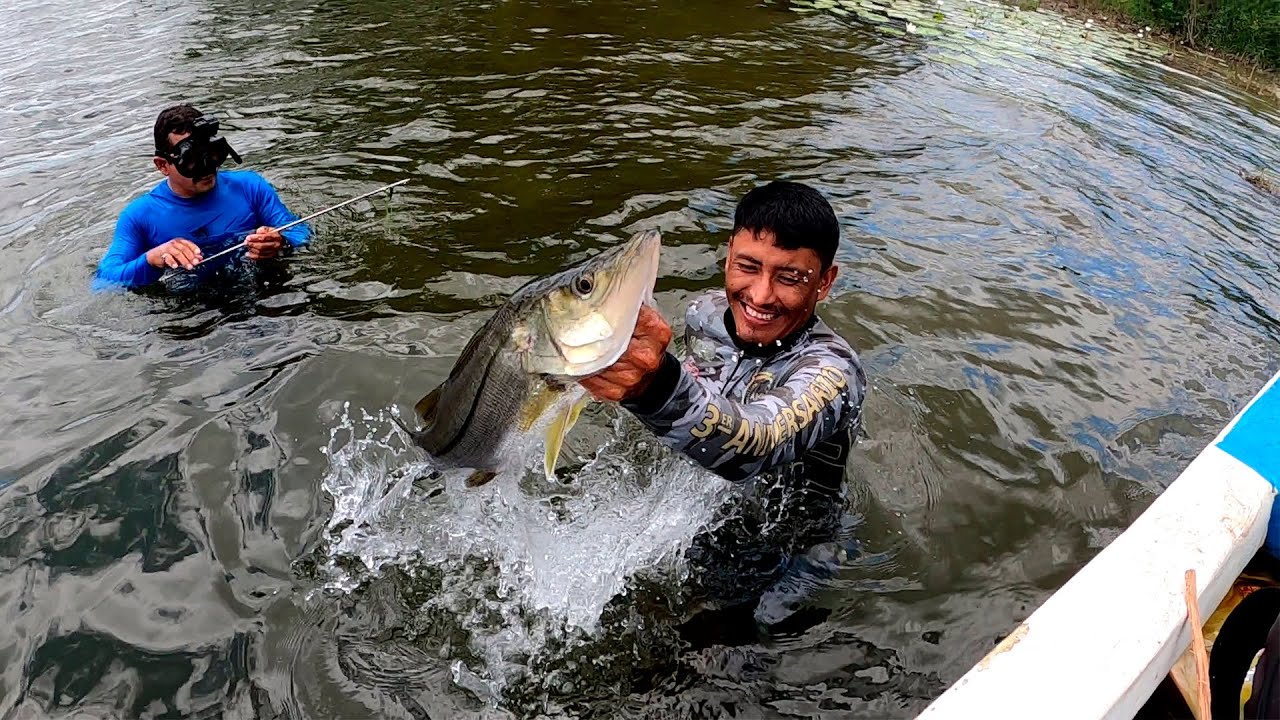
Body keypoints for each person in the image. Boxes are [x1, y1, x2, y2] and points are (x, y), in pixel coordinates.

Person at [583, 180, 868, 624]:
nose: (759, 296)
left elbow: (756, 444)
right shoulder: (706, 314)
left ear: (825, 283)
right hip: (707, 515)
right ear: (728, 253)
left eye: (790, 278)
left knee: (733, 650)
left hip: (787, 552)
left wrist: (652, 387)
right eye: (747, 267)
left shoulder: (833, 373)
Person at [93, 104, 310, 291]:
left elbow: (301, 231)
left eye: (212, 154)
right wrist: (152, 259)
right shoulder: (139, 216)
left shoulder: (249, 187)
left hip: (261, 291)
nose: (207, 167)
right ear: (162, 165)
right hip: (194, 314)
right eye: (192, 160)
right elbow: (104, 280)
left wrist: (280, 241)